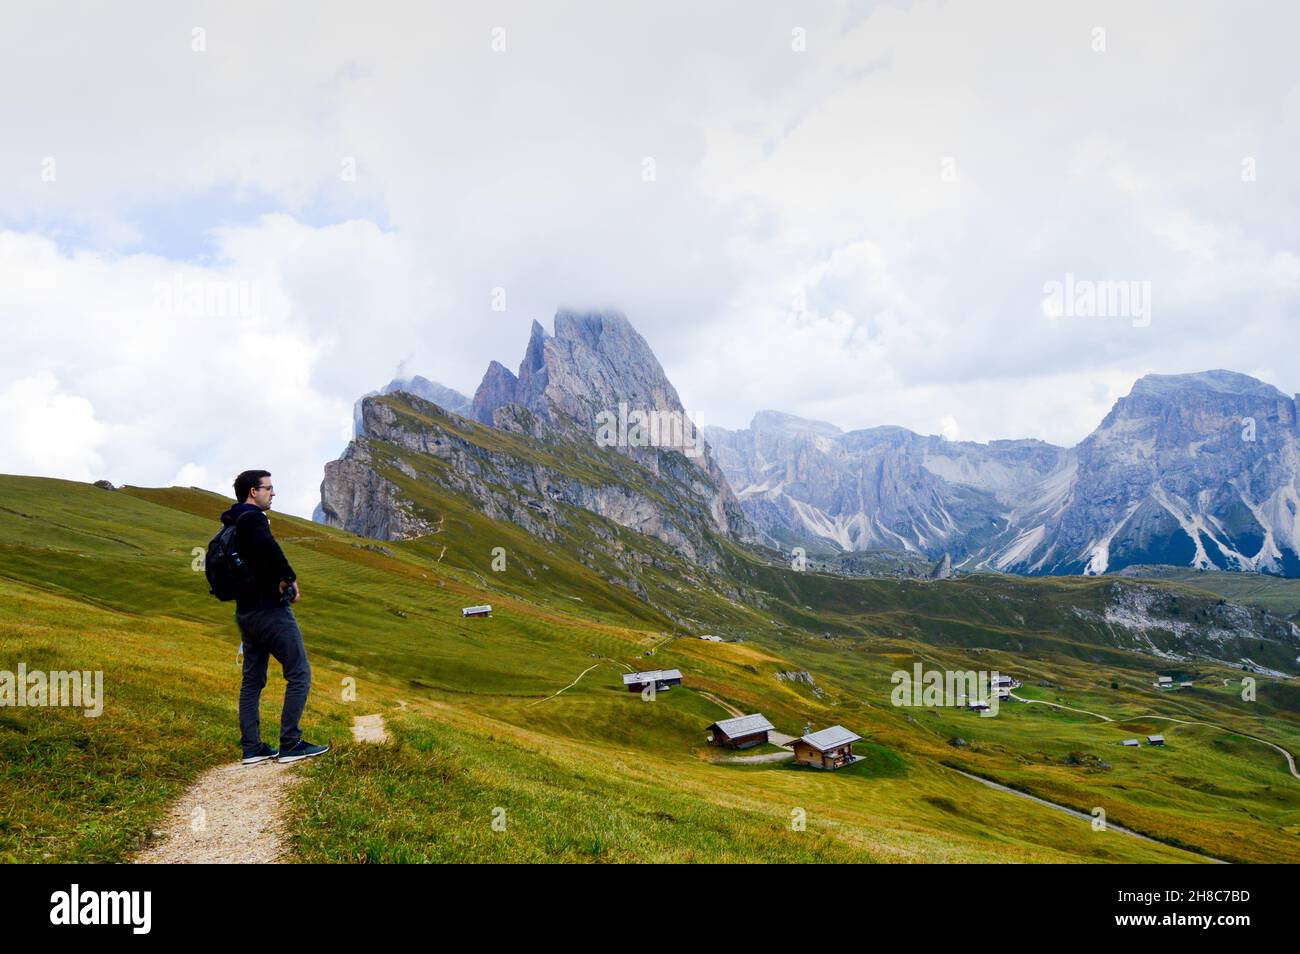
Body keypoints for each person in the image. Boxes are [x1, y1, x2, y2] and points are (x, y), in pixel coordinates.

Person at [220, 469, 329, 765]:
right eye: (268, 488)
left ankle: (252, 747)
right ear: (253, 492)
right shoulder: (253, 518)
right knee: (299, 673)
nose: (273, 493)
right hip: (269, 610)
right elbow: (269, 549)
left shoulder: (232, 520)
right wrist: (289, 577)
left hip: (245, 612)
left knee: (252, 681)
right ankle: (290, 743)